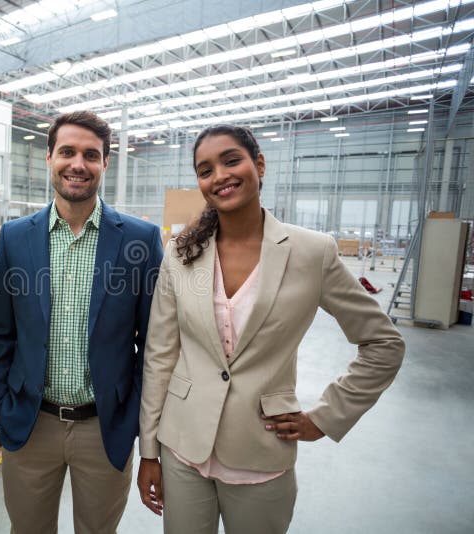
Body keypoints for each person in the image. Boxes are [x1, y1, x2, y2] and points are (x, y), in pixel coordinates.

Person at [136, 124, 405, 533]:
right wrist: (149, 451)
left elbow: (384, 343)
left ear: (259, 165)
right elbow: (160, 354)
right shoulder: (182, 253)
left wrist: (327, 417)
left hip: (261, 451)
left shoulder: (311, 252)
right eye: (205, 170)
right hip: (182, 447)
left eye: (231, 161)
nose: (220, 176)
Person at [0, 111, 163, 533]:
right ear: (49, 157)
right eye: (67, 152)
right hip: (31, 424)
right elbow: (0, 333)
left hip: (104, 428)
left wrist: (133, 420)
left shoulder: (139, 239)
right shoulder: (15, 237)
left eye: (90, 155)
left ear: (105, 163)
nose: (78, 164)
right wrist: (0, 409)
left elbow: (154, 344)